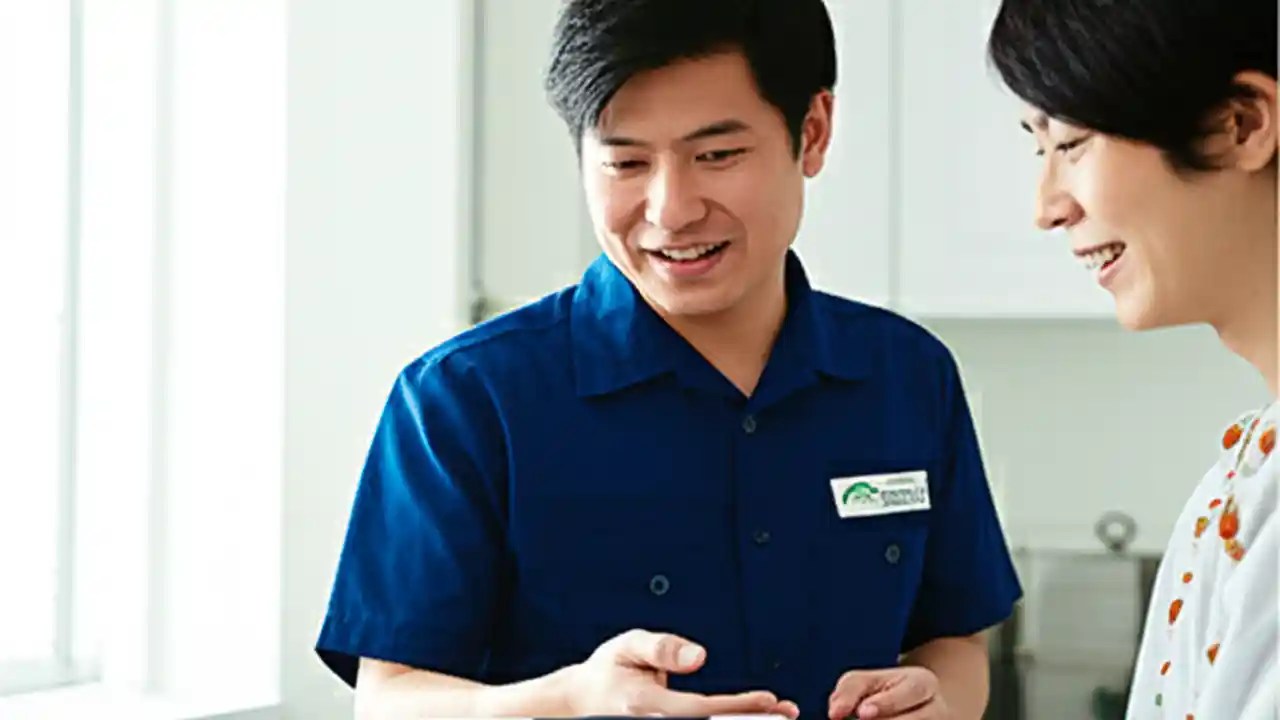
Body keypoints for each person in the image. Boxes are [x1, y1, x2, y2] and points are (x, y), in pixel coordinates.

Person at [317, 1, 1022, 718]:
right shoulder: (463, 400)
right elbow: (392, 699)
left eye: (716, 155)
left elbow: (952, 642)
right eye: (626, 162)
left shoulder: (907, 376)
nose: (671, 210)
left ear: (812, 132)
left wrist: (941, 704)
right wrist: (566, 703)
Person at [987, 1, 1278, 718]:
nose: (1046, 206)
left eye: (1074, 144)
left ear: (1240, 124)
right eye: (1038, 148)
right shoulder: (1238, 479)